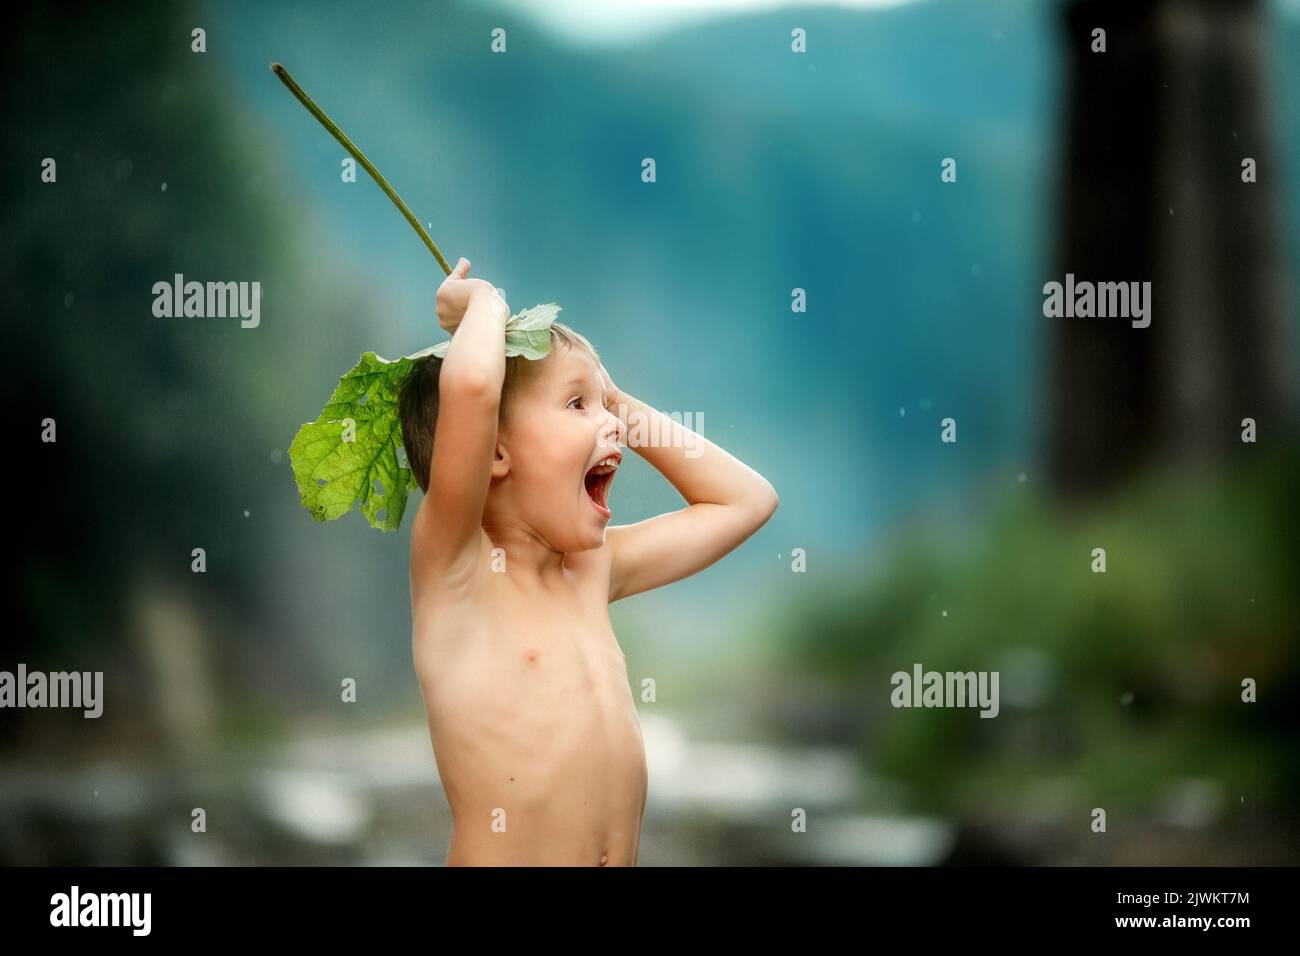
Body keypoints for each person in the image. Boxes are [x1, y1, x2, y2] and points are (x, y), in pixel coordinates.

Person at [399, 256, 778, 865]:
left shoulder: (589, 570)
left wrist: (612, 397)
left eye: (608, 409)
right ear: (494, 452)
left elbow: (745, 501)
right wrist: (483, 307)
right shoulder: (457, 572)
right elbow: (470, 390)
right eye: (577, 406)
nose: (614, 428)